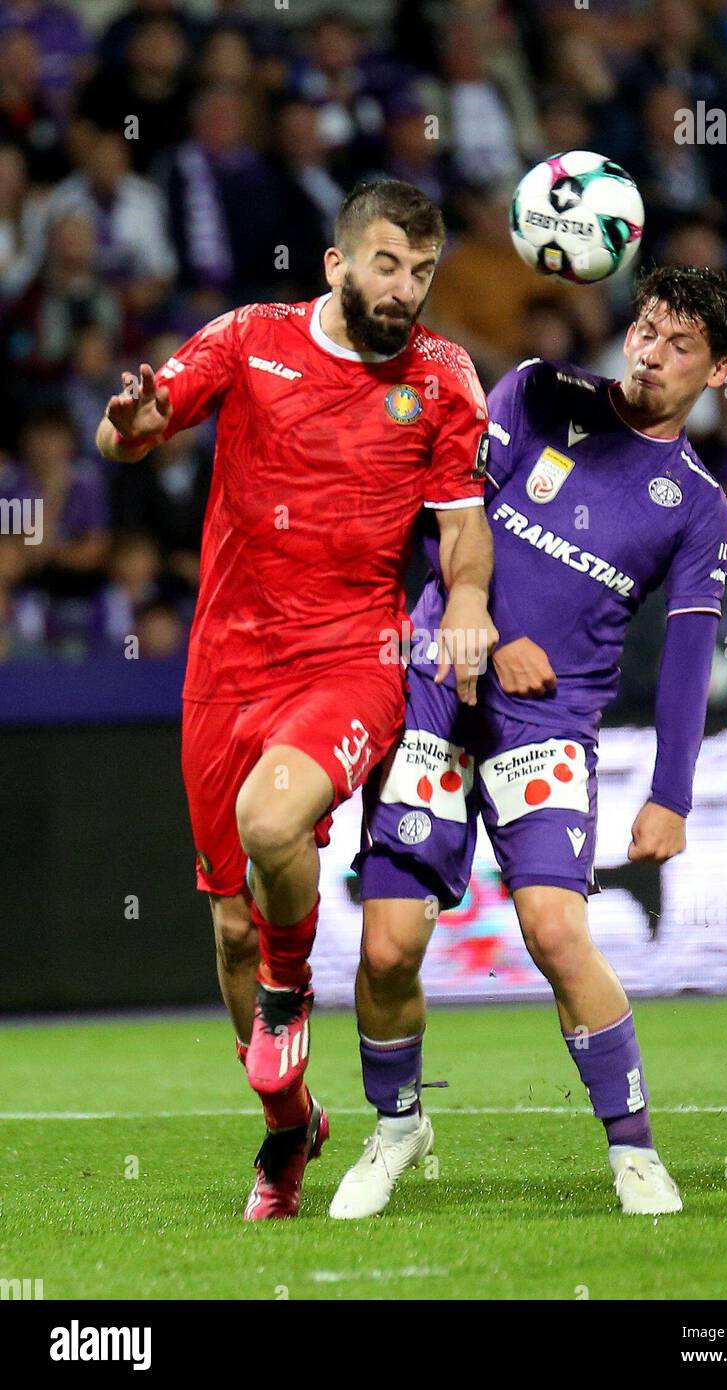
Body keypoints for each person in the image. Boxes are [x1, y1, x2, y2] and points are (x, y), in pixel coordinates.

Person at [94, 179, 497, 1220]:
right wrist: (128, 426)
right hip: (224, 670)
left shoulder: (446, 380)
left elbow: (460, 529)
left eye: (419, 271)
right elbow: (132, 433)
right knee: (227, 924)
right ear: (336, 263)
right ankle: (288, 1128)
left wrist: (463, 598)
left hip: (353, 655)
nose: (403, 289)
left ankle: (287, 988)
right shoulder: (249, 339)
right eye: (384, 265)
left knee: (271, 819)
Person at [331, 263, 727, 1221]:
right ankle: (399, 1128)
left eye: (680, 344)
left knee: (557, 931)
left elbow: (688, 656)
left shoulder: (695, 504)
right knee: (389, 947)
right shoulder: (536, 391)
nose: (650, 351)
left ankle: (633, 1150)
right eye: (646, 327)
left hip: (549, 720)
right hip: (441, 678)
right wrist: (484, 624)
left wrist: (672, 795)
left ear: (717, 371)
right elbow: (450, 513)